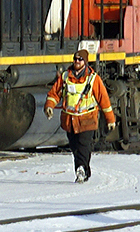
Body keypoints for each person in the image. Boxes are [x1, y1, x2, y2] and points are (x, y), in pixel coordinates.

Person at [46, 46, 116, 183]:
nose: (77, 61)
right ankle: (84, 171)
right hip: (70, 121)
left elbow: (104, 100)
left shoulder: (93, 79)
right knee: (75, 148)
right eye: (75, 59)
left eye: (80, 59)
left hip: (87, 120)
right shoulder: (65, 77)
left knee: (84, 146)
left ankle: (81, 170)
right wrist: (49, 106)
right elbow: (54, 94)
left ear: (85, 62)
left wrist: (110, 120)